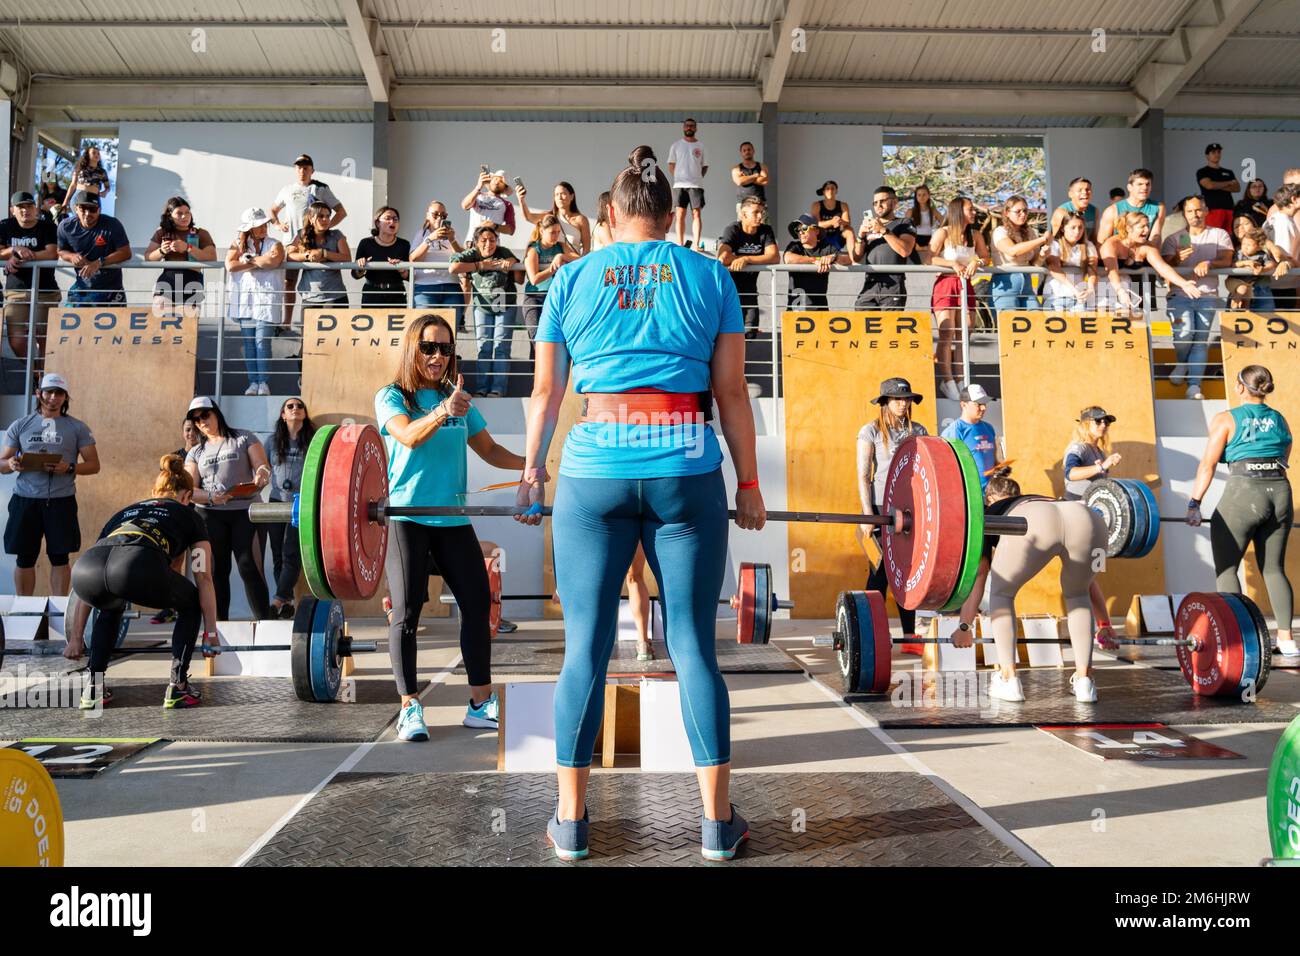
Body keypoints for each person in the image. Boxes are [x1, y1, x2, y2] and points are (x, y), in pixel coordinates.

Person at [520, 144, 759, 862]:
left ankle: (571, 824)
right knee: (692, 647)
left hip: (595, 470)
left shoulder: (571, 277)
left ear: (615, 214)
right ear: (668, 215)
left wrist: (532, 474)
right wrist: (747, 486)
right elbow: (732, 393)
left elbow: (545, 394)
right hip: (686, 466)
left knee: (584, 652)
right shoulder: (712, 275)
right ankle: (717, 828)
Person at [377, 313, 525, 741]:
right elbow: (406, 437)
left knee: (478, 605)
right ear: (412, 349)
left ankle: (480, 703)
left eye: (445, 348)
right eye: (429, 347)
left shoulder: (459, 399)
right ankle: (409, 707)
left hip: (452, 519)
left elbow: (491, 450)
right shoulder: (393, 396)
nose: (438, 356)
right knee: (406, 613)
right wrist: (444, 410)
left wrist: (531, 466)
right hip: (406, 517)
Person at [70, 455, 218, 711]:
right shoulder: (190, 516)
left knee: (109, 602)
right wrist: (211, 633)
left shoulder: (125, 512)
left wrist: (75, 638)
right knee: (192, 602)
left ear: (154, 492)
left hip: (85, 570)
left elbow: (88, 591)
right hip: (134, 565)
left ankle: (92, 688)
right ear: (187, 496)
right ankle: (178, 686)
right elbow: (203, 577)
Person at [954, 475, 1109, 703]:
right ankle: (1085, 681)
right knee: (1079, 591)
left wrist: (965, 626)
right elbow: (1091, 583)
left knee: (1001, 593)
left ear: (989, 498)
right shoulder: (1035, 500)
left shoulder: (989, 512)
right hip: (1091, 519)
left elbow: (980, 572)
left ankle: (1008, 679)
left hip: (1037, 523)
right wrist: (1105, 623)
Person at [1186, 364, 1296, 657]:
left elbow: (1207, 465)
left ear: (1240, 388)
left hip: (1243, 492)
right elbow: (1285, 455)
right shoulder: (1279, 419)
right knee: (1273, 569)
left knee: (1227, 569)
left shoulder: (1226, 419)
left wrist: (1194, 504)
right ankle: (1286, 639)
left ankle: (1240, 638)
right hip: (1280, 492)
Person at [0, 372, 99, 595]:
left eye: (59, 393)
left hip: (61, 501)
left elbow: (94, 465)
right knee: (25, 558)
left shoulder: (77, 428)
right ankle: (24, 610)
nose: (53, 397)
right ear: (39, 394)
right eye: (49, 392)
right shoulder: (21, 424)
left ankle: (58, 610)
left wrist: (70, 467)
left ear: (65, 398)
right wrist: (13, 463)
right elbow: (2, 463)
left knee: (59, 557)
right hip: (25, 500)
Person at [183, 397, 272, 622]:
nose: (201, 422)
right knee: (216, 572)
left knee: (248, 566)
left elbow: (262, 466)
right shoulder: (195, 452)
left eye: (205, 415)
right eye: (196, 420)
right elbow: (189, 489)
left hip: (246, 510)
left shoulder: (243, 437)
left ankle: (265, 623)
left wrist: (262, 474)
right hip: (210, 514)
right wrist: (213, 496)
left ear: (216, 413)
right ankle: (219, 626)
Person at [857, 378, 928, 649]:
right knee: (879, 574)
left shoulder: (918, 430)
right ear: (884, 402)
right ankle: (867, 635)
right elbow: (864, 476)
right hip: (878, 511)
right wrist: (867, 517)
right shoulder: (871, 431)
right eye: (897, 398)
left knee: (906, 573)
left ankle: (909, 637)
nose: (902, 403)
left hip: (910, 512)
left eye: (906, 398)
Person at [1161, 196, 1234, 399]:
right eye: (1191, 211)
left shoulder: (1219, 234)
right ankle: (1183, 363)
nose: (1195, 214)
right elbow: (1164, 267)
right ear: (1184, 214)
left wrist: (1208, 262)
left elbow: (1227, 258)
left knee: (1200, 341)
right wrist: (1177, 259)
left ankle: (1194, 387)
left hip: (1207, 295)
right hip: (1178, 295)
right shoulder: (1174, 238)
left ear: (1206, 210)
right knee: (1183, 336)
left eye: (1199, 210)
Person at [449, 223, 525, 397]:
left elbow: (520, 276)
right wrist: (480, 266)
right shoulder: (472, 254)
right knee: (484, 347)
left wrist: (512, 262)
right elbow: (453, 267)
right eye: (484, 240)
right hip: (482, 307)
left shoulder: (503, 251)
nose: (488, 244)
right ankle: (482, 389)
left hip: (505, 306)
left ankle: (498, 389)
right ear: (476, 242)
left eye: (492, 240)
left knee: (501, 347)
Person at [270, 154, 347, 328]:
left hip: (315, 241)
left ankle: (317, 319)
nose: (302, 170)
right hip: (293, 242)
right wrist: (278, 225)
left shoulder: (320, 188)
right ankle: (287, 322)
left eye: (306, 167)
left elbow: (341, 211)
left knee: (318, 277)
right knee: (288, 282)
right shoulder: (287, 189)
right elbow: (272, 210)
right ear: (295, 169)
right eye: (299, 167)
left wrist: (326, 228)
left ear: (312, 170)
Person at [259, 397, 314, 619]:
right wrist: (260, 474)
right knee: (277, 555)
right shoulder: (272, 441)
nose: (295, 409)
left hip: (299, 503)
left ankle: (277, 600)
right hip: (275, 501)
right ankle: (288, 600)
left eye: (299, 406)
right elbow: (263, 466)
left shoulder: (312, 440)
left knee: (292, 553)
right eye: (290, 407)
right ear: (283, 414)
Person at [930, 197, 988, 401]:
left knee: (966, 331)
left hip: (966, 286)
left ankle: (962, 378)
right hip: (946, 283)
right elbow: (929, 257)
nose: (974, 213)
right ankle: (947, 380)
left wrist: (977, 261)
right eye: (970, 209)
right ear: (957, 211)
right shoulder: (943, 232)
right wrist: (952, 263)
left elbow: (985, 256)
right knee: (947, 333)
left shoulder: (975, 234)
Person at [225, 207, 286, 397]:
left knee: (262, 341)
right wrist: (256, 262)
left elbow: (273, 262)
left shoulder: (275, 243)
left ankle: (263, 382)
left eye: (264, 224)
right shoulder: (236, 244)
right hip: (246, 300)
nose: (263, 228)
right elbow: (230, 265)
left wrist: (249, 261)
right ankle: (253, 382)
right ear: (249, 228)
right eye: (258, 225)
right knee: (250, 343)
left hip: (267, 300)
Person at [0, 191, 60, 383]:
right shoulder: (4, 225)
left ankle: (44, 380)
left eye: (29, 206)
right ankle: (35, 374)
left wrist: (20, 257)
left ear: (36, 209)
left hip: (46, 291)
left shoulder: (47, 227)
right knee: (16, 340)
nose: (25, 210)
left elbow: (52, 253)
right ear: (13, 210)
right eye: (20, 207)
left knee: (44, 338)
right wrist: (14, 250)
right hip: (16, 291)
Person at [1100, 211, 1201, 321]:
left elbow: (1162, 267)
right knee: (1107, 326)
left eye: (1148, 225)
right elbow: (1112, 271)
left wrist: (1184, 284)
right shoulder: (1112, 244)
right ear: (1129, 228)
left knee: (1135, 329)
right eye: (1142, 226)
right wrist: (1120, 291)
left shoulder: (1147, 246)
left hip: (1134, 293)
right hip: (1107, 290)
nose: (1147, 230)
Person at [151, 418, 203, 626]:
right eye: (188, 429)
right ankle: (170, 606)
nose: (191, 433)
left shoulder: (205, 454)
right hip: (175, 518)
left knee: (203, 565)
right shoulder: (174, 458)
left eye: (195, 430)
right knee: (174, 562)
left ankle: (203, 606)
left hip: (199, 514)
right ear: (183, 432)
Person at [717, 197, 779, 338]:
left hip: (751, 293)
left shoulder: (765, 230)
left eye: (762, 212)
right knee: (729, 334)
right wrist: (746, 259)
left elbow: (774, 256)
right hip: (729, 292)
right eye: (756, 212)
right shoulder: (732, 229)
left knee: (750, 333)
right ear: (744, 214)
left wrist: (746, 259)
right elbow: (723, 257)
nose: (760, 216)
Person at [56, 191, 130, 306]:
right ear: (76, 209)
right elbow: (61, 251)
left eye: (92, 209)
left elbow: (125, 252)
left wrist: (99, 262)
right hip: (82, 287)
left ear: (99, 210)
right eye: (83, 208)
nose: (87, 213)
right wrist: (71, 256)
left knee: (117, 324)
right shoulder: (65, 226)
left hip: (111, 289)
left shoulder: (112, 224)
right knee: (70, 321)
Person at [145, 196, 216, 312]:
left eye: (187, 212)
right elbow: (148, 257)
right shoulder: (162, 232)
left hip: (192, 279)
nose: (184, 216)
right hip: (168, 279)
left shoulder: (201, 233)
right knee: (160, 316)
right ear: (169, 216)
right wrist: (162, 251)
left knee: (188, 322)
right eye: (179, 213)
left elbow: (212, 257)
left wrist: (188, 247)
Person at [853, 185, 918, 311]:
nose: (878, 205)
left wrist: (883, 230)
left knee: (889, 329)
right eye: (875, 203)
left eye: (882, 201)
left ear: (894, 202)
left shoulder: (904, 223)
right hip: (870, 285)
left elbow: (905, 251)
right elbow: (856, 257)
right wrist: (860, 235)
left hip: (893, 286)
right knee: (861, 326)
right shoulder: (871, 227)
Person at [523, 214, 578, 354]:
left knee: (553, 337)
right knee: (536, 338)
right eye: (552, 232)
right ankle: (535, 374)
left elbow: (579, 259)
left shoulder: (560, 246)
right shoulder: (533, 249)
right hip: (534, 297)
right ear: (542, 231)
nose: (556, 235)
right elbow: (534, 279)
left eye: (558, 232)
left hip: (554, 297)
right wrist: (553, 268)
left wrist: (561, 256)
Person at [410, 200, 465, 330]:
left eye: (443, 216)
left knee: (450, 331)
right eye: (435, 214)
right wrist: (430, 239)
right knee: (425, 330)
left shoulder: (453, 233)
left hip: (452, 286)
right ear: (427, 215)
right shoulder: (421, 234)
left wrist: (452, 240)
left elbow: (464, 257)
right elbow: (414, 259)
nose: (439, 218)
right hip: (425, 288)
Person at [990, 195, 1049, 317]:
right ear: (1007, 213)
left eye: (1025, 211)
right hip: (1006, 284)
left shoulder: (1030, 232)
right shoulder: (1000, 231)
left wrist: (1042, 256)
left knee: (1037, 320)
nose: (1023, 214)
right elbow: (1012, 251)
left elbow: (1034, 264)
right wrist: (1042, 239)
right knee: (1010, 327)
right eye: (1018, 211)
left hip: (1027, 284)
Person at [783, 215, 848, 310]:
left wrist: (833, 257)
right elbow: (788, 258)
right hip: (796, 309)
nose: (800, 232)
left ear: (816, 231)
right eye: (798, 229)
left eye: (804, 228)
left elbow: (848, 260)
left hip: (820, 309)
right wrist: (815, 260)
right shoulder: (795, 246)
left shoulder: (826, 248)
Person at [940, 384, 997, 490]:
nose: (983, 408)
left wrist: (1000, 469)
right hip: (970, 496)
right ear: (963, 405)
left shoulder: (989, 428)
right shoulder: (954, 432)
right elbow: (947, 469)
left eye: (984, 403)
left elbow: (995, 460)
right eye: (978, 404)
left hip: (991, 494)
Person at [353, 206, 410, 308]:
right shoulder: (366, 243)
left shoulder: (404, 244)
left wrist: (402, 270)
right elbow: (355, 275)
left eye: (395, 219)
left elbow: (410, 276)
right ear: (378, 223)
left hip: (396, 294)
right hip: (372, 294)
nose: (392, 221)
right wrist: (361, 267)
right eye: (388, 218)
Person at [1043, 211, 1098, 312]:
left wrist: (1090, 289)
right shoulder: (1055, 244)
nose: (1077, 231)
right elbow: (1053, 267)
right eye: (1073, 227)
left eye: (1080, 227)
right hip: (1055, 296)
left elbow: (1092, 271)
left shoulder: (1088, 246)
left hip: (1079, 298)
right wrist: (1074, 290)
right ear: (1063, 228)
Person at [1062, 406, 1121, 500]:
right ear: (1085, 424)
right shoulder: (1079, 447)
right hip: (1075, 505)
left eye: (1106, 422)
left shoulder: (1099, 451)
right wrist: (1101, 467)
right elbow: (1070, 473)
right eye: (1098, 421)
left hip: (1092, 504)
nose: (1103, 425)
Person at [518, 180, 590, 256]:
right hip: (550, 263)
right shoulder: (548, 216)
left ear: (572, 196)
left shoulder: (581, 220)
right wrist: (521, 199)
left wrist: (581, 264)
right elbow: (528, 217)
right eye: (556, 194)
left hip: (572, 264)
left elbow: (586, 249)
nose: (559, 197)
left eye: (563, 194)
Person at [668, 118, 708, 249]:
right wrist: (679, 177)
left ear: (696, 128)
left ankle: (696, 244)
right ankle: (680, 243)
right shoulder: (676, 145)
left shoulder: (701, 146)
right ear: (683, 128)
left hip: (696, 185)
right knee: (680, 214)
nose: (689, 128)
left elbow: (705, 166)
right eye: (687, 126)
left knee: (696, 213)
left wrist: (697, 177)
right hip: (679, 185)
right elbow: (671, 164)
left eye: (692, 126)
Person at [1227, 225, 1288, 310]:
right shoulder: (1238, 253)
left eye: (1249, 244)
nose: (1245, 247)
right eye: (1243, 243)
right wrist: (1246, 263)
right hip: (1234, 281)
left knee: (1247, 299)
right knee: (1242, 288)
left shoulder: (1262, 255)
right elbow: (1232, 265)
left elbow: (1271, 264)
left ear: (1258, 247)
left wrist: (1263, 269)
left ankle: (1244, 312)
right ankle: (1234, 306)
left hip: (1249, 284)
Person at [1097, 168, 1165, 244]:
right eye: (1140, 184)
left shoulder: (1158, 207)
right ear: (1130, 187)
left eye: (1147, 184)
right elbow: (1102, 242)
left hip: (1146, 251)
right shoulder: (1112, 210)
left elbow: (1156, 237)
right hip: (1119, 253)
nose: (1145, 188)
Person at [1265, 183, 1300, 310]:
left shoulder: (1278, 218)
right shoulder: (1283, 222)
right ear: (1294, 199)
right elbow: (1283, 258)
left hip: (1279, 285)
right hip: (1281, 286)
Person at [1197, 143, 1240, 233]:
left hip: (1229, 208)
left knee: (1229, 237)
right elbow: (1209, 185)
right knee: (1213, 236)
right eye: (1213, 152)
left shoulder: (1228, 172)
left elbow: (1237, 188)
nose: (1217, 154)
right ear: (1207, 156)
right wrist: (1228, 183)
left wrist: (1216, 185)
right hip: (1212, 209)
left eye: (1218, 152)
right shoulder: (1202, 171)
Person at [461, 169, 517, 237]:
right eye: (495, 179)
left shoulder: (507, 204)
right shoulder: (477, 195)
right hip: (472, 243)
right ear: (490, 180)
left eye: (501, 181)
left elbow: (511, 230)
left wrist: (494, 226)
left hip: (492, 245)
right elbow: (465, 205)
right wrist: (478, 187)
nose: (497, 182)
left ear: (505, 187)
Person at [812, 180, 854, 253]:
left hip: (837, 237)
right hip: (821, 238)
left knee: (849, 230)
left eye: (832, 188)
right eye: (827, 189)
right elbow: (815, 224)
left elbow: (847, 222)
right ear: (823, 192)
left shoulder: (843, 205)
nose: (830, 190)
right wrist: (831, 222)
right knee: (812, 231)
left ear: (836, 191)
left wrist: (840, 221)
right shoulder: (816, 205)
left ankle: (853, 258)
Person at [731, 141, 768, 220]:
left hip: (760, 202)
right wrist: (756, 175)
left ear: (753, 151)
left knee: (762, 228)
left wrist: (746, 178)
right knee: (743, 229)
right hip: (743, 203)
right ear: (741, 153)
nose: (747, 152)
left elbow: (765, 181)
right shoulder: (737, 168)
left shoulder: (761, 166)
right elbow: (739, 181)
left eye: (749, 149)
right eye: (744, 150)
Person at [908, 184, 941, 264]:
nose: (921, 197)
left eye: (924, 195)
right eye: (919, 195)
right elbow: (906, 228)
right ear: (916, 197)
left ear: (928, 196)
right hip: (915, 239)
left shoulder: (933, 211)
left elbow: (944, 223)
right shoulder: (910, 211)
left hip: (930, 239)